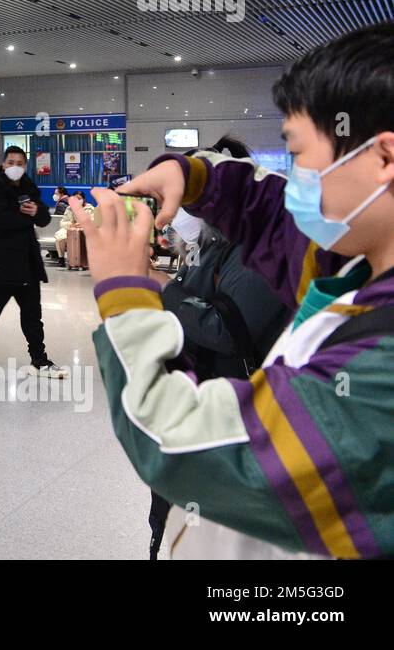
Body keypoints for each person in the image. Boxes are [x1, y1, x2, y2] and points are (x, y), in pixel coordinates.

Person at [83, 23, 394, 558]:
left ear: (384, 158)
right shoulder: (359, 257)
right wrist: (195, 178)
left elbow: (180, 442)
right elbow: (272, 215)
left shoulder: (380, 371)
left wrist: (126, 296)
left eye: (300, 153)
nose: (293, 176)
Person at [143, 137, 294, 559]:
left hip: (231, 408)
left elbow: (226, 327)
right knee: (166, 512)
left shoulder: (259, 251)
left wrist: (161, 290)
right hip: (190, 399)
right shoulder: (207, 245)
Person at [0, 145, 67, 377]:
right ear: (3, 164)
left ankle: (39, 360)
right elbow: (1, 220)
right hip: (3, 261)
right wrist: (26, 216)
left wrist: (34, 213)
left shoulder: (28, 186)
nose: (15, 167)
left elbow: (42, 217)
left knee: (32, 314)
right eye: (11, 163)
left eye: (20, 163)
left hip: (28, 260)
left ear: (26, 166)